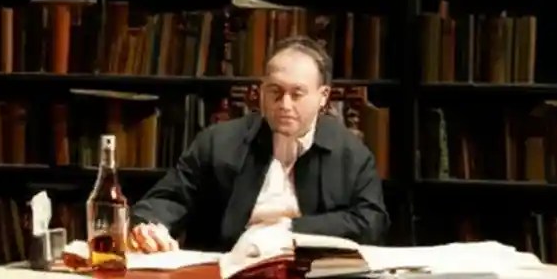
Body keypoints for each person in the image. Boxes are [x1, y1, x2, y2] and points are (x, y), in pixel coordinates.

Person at [130, 35, 388, 254]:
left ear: (323, 97)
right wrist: (150, 226)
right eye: (275, 92)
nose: (284, 105)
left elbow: (371, 221)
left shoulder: (350, 153)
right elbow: (170, 197)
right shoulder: (218, 142)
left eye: (297, 94)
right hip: (223, 276)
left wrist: (287, 230)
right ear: (261, 91)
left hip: (308, 274)